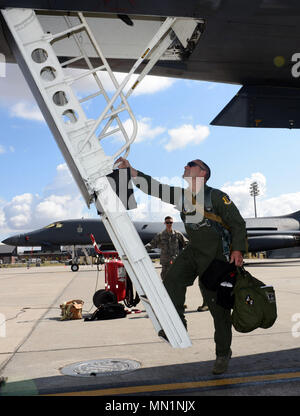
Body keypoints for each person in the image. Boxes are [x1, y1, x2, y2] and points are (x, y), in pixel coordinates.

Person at [116, 157, 247, 375]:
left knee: (219, 309)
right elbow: (157, 189)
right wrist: (131, 171)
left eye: (191, 165)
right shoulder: (182, 196)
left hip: (216, 258)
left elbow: (238, 224)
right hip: (194, 250)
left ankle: (223, 353)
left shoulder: (216, 196)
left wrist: (238, 250)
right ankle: (178, 325)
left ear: (203, 173)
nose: (185, 167)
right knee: (172, 280)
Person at [145, 216, 188, 280]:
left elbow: (186, 243)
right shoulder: (160, 235)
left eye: (170, 222)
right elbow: (152, 244)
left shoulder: (177, 234)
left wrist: (188, 251)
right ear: (165, 223)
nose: (169, 224)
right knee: (164, 279)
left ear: (172, 223)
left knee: (175, 278)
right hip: (165, 262)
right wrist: (142, 249)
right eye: (167, 222)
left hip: (174, 261)